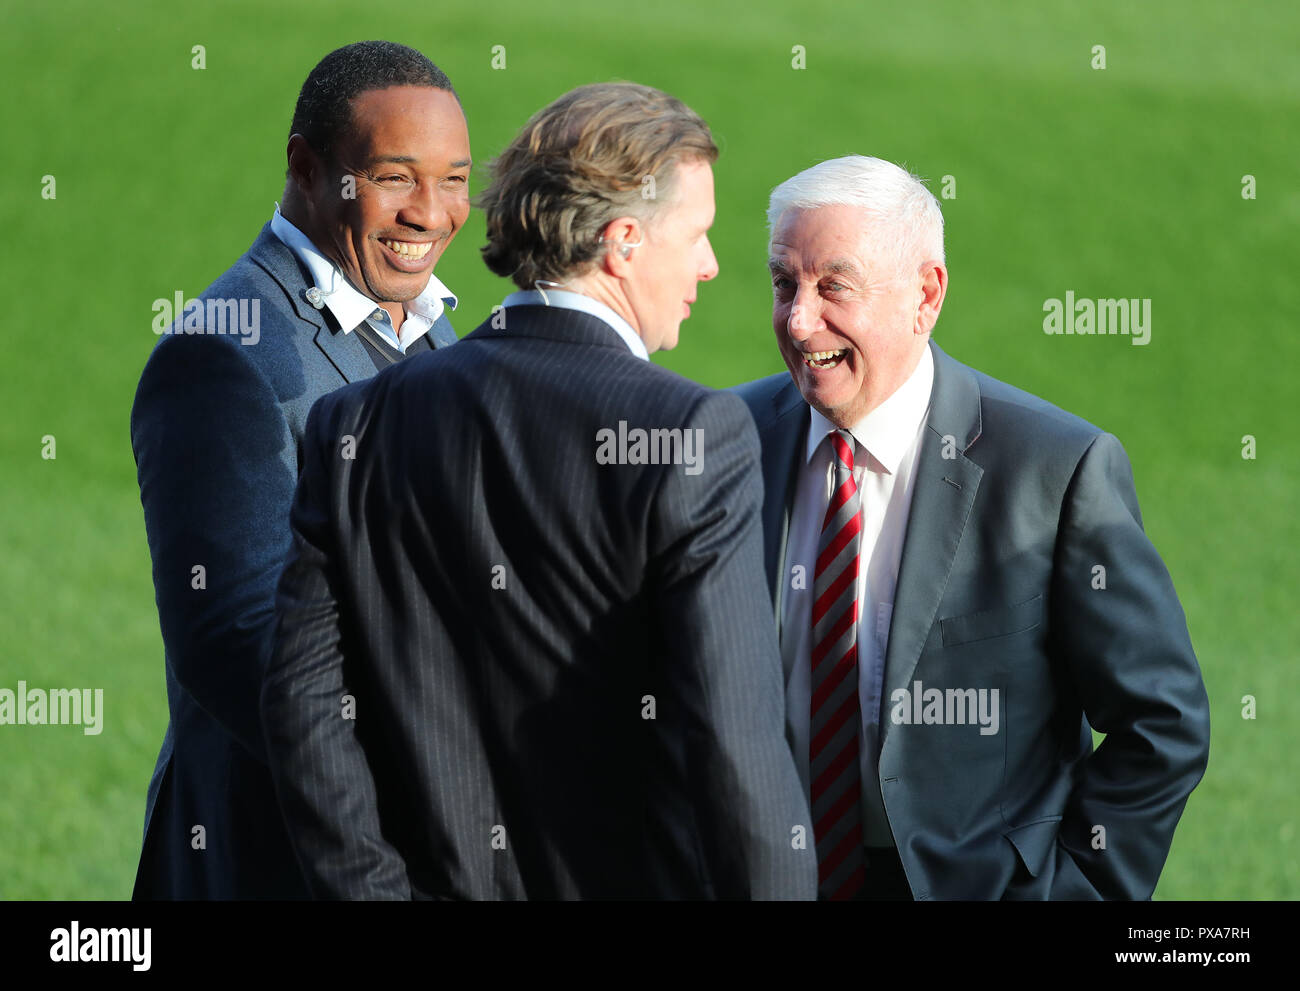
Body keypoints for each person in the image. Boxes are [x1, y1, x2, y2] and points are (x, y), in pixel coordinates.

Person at [261, 82, 815, 900]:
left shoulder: (356, 424)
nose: (710, 263)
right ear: (624, 241)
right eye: (696, 234)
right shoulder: (695, 436)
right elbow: (735, 748)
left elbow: (303, 706)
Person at [734, 155, 1211, 900]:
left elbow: (1162, 723)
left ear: (926, 294)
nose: (798, 320)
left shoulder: (1055, 469)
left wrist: (1078, 891)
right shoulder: (727, 441)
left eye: (833, 286)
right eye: (783, 283)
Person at [129, 40, 471, 899]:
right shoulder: (224, 353)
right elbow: (238, 641)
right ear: (306, 168)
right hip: (276, 859)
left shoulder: (435, 331)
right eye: (396, 176)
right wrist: (423, 786)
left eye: (456, 178)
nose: (432, 213)